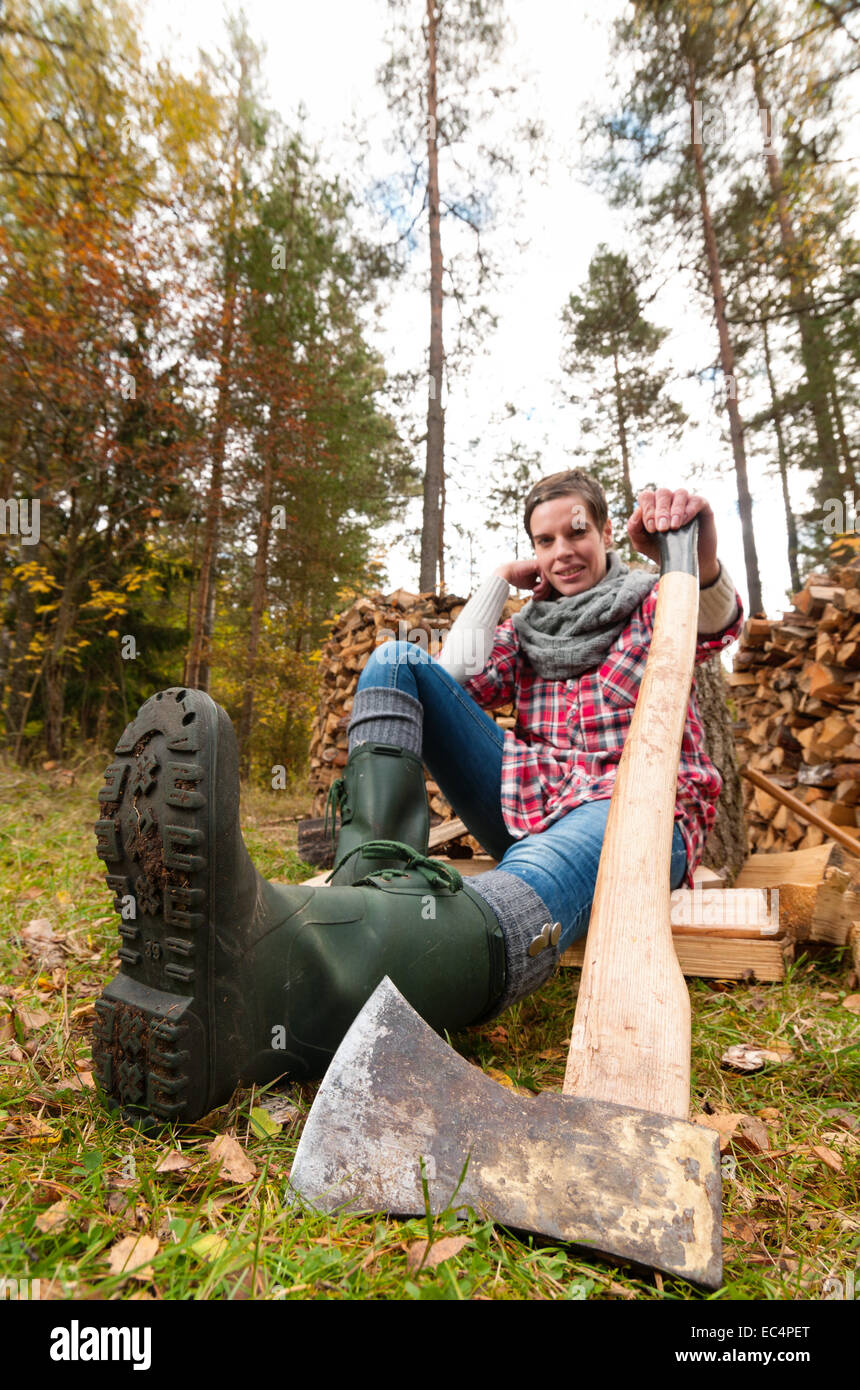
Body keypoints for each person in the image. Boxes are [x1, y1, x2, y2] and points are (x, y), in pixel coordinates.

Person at [92, 470, 743, 1125]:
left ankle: (285, 996)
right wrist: (497, 582)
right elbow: (450, 673)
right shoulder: (532, 631)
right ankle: (372, 871)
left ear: (606, 531)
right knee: (398, 659)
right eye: (544, 540)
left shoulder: (659, 600)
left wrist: (701, 556)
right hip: (530, 801)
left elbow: (714, 618)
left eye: (577, 531)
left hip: (636, 817)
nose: (562, 550)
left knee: (534, 875)